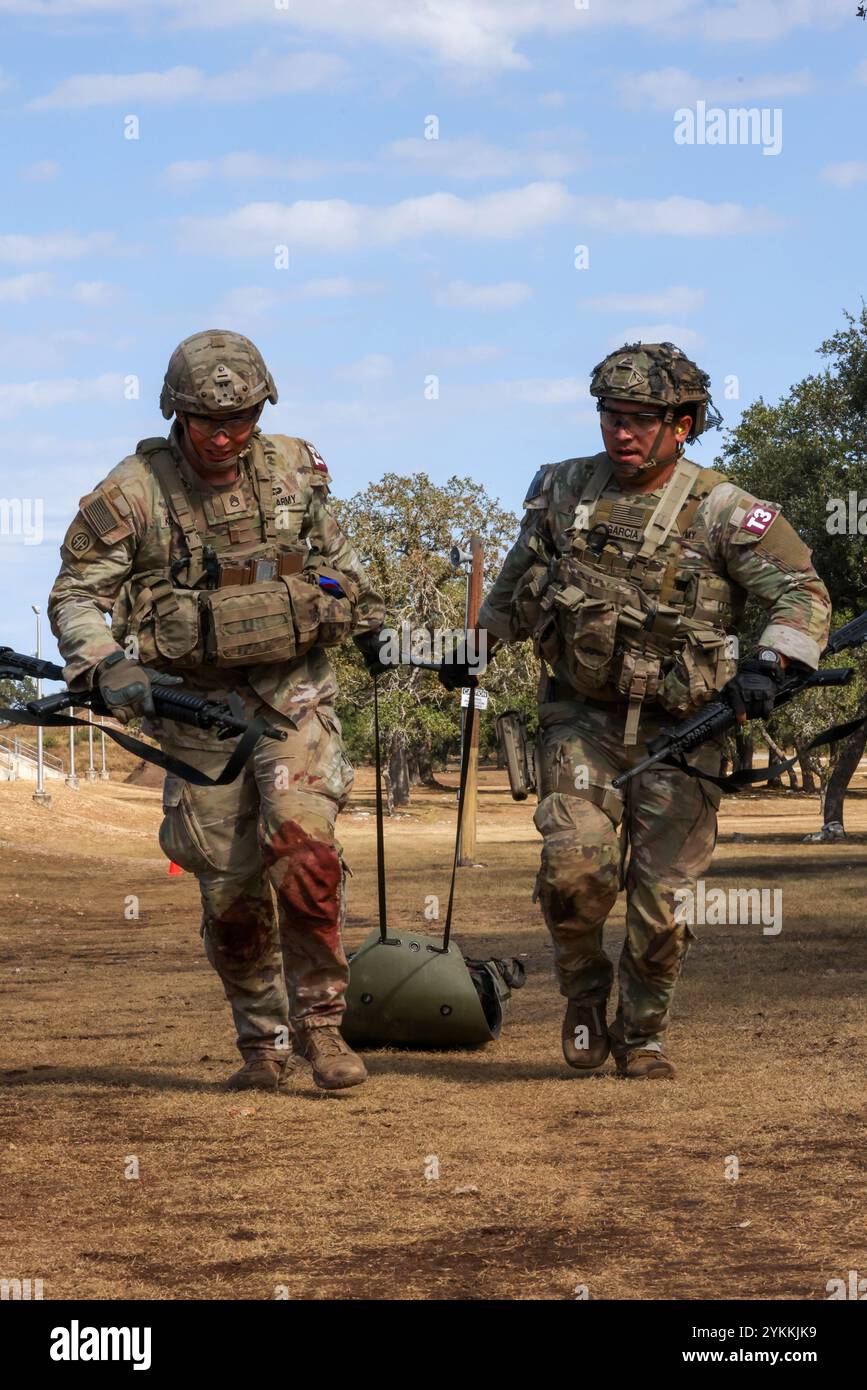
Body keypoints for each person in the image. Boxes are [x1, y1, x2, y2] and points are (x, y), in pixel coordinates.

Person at [446, 342, 831, 1079]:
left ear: (680, 423)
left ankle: (643, 1032)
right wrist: (474, 651)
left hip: (684, 730)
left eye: (640, 419)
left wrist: (769, 663)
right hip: (579, 720)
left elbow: (801, 592)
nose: (620, 432)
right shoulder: (560, 489)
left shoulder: (724, 508)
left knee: (662, 910)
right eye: (609, 415)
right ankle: (585, 999)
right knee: (572, 871)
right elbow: (514, 588)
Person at [48, 330, 385, 1092]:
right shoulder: (134, 489)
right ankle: (260, 1044)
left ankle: (323, 1028)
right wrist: (108, 662)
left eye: (243, 418)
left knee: (306, 855)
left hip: (291, 697)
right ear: (177, 413)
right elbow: (77, 596)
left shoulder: (296, 466)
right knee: (230, 894)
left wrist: (348, 616)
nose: (226, 435)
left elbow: (341, 571)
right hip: (194, 713)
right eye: (208, 421)